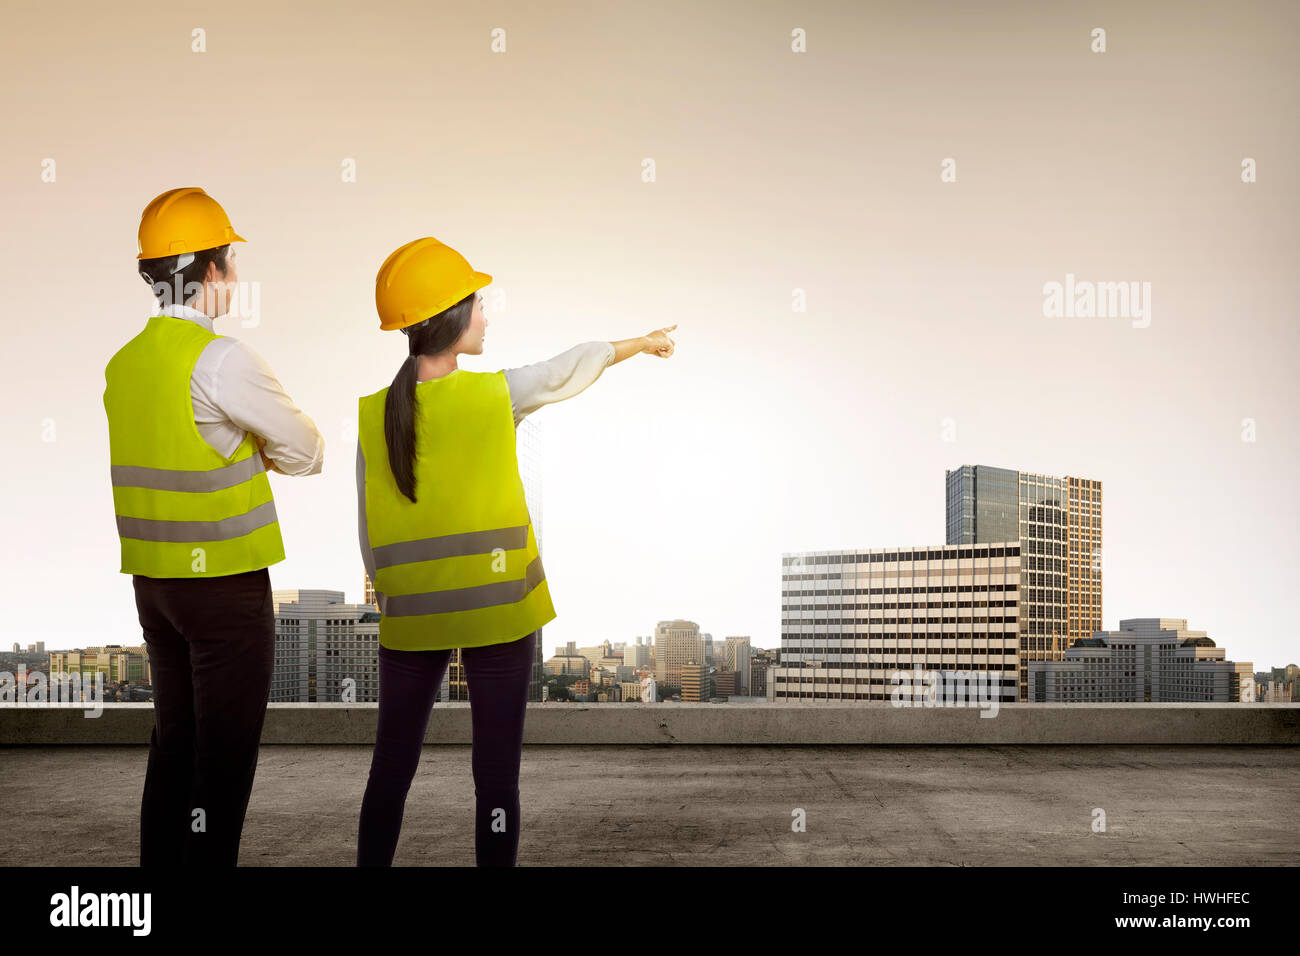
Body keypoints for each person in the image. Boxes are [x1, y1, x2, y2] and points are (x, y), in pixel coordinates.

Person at [355, 236, 676, 866]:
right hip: (501, 615)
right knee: (496, 778)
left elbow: (368, 535)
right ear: (450, 316)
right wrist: (641, 343)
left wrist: (398, 598)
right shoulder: (495, 395)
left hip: (410, 620)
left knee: (391, 769)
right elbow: (569, 367)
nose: (485, 314)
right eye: (477, 303)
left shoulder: (373, 415)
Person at [103, 187, 325, 866]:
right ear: (212, 269)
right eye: (230, 261)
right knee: (222, 760)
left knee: (175, 744)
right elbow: (308, 451)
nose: (235, 277)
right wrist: (254, 447)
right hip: (224, 587)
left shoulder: (124, 364)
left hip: (155, 586)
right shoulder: (223, 360)